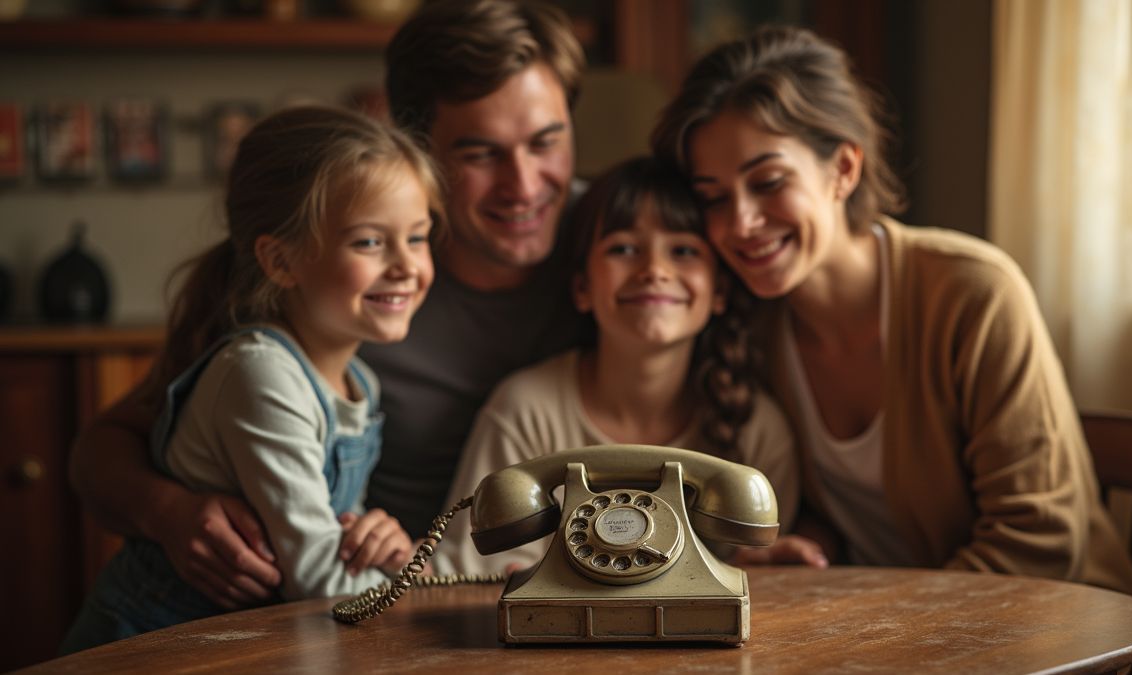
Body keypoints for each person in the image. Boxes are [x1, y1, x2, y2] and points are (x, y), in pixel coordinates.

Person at [67, 0, 586, 610]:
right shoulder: (326, 278)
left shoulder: (623, 244)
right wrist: (171, 512)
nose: (524, 186)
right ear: (416, 144)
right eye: (480, 154)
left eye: (546, 142)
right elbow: (100, 453)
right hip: (384, 612)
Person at [651, 26, 1132, 593]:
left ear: (844, 169)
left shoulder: (973, 296)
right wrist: (812, 545)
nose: (740, 222)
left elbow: (1039, 541)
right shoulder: (751, 327)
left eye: (768, 182)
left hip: (1056, 636)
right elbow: (845, 509)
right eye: (713, 197)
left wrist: (882, 631)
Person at [59, 105, 444, 653]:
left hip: (247, 646)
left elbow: (321, 534)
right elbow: (320, 581)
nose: (406, 265)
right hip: (156, 648)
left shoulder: (358, 381)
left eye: (418, 237)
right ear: (281, 261)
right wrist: (421, 595)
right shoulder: (262, 376)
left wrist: (377, 546)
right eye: (368, 242)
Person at [436, 157, 799, 575]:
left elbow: (763, 566)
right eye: (623, 249)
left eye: (683, 251)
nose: (654, 271)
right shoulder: (525, 409)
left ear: (719, 290)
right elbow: (469, 570)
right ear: (582, 288)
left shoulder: (758, 429)